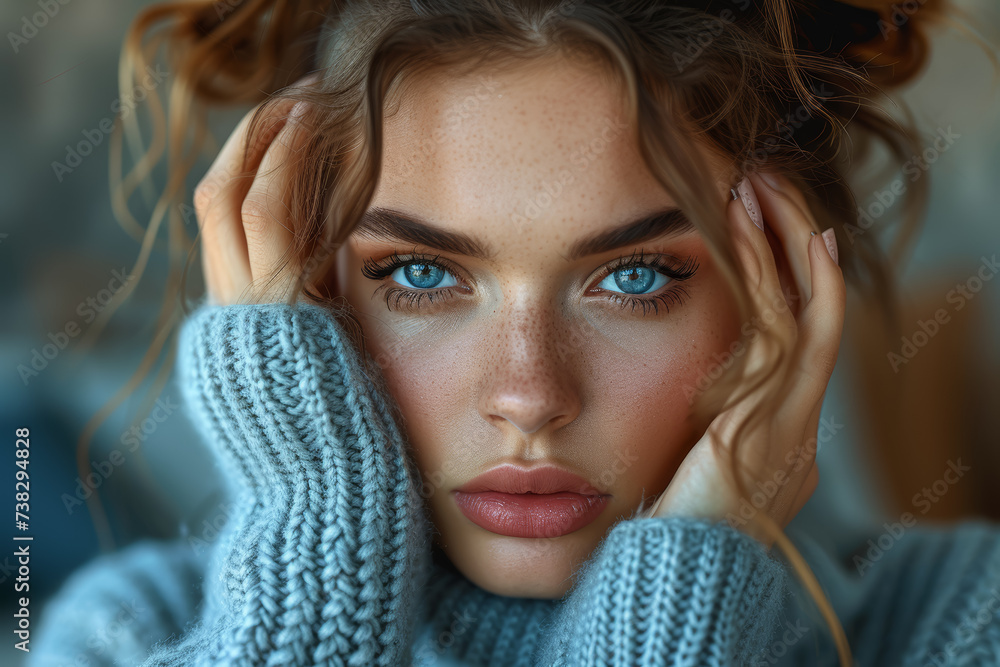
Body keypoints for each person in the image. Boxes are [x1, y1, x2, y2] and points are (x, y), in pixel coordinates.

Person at [29, 1, 1000, 665]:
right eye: (418, 273)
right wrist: (314, 542)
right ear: (302, 297)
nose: (529, 394)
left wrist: (694, 577)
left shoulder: (962, 619)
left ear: (781, 290)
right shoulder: (125, 630)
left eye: (633, 277)